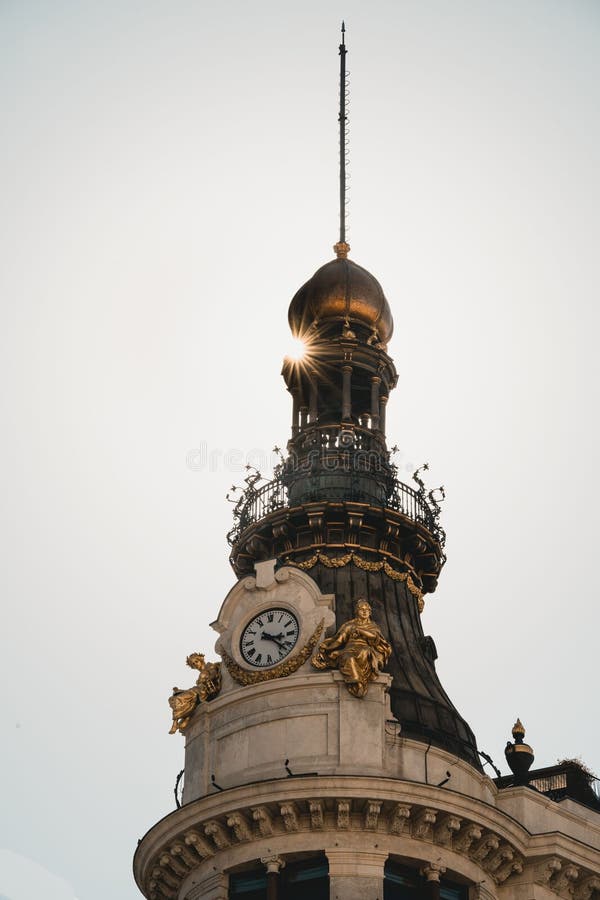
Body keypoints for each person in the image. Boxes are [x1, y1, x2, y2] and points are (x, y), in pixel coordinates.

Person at [312, 598, 391, 697]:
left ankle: (359, 683)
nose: (364, 612)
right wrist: (328, 648)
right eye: (362, 609)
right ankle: (357, 682)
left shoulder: (372, 626)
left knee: (365, 652)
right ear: (357, 611)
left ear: (370, 612)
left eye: (367, 610)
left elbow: (374, 636)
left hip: (364, 648)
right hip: (349, 649)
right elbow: (339, 640)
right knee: (348, 657)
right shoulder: (349, 625)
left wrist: (360, 630)